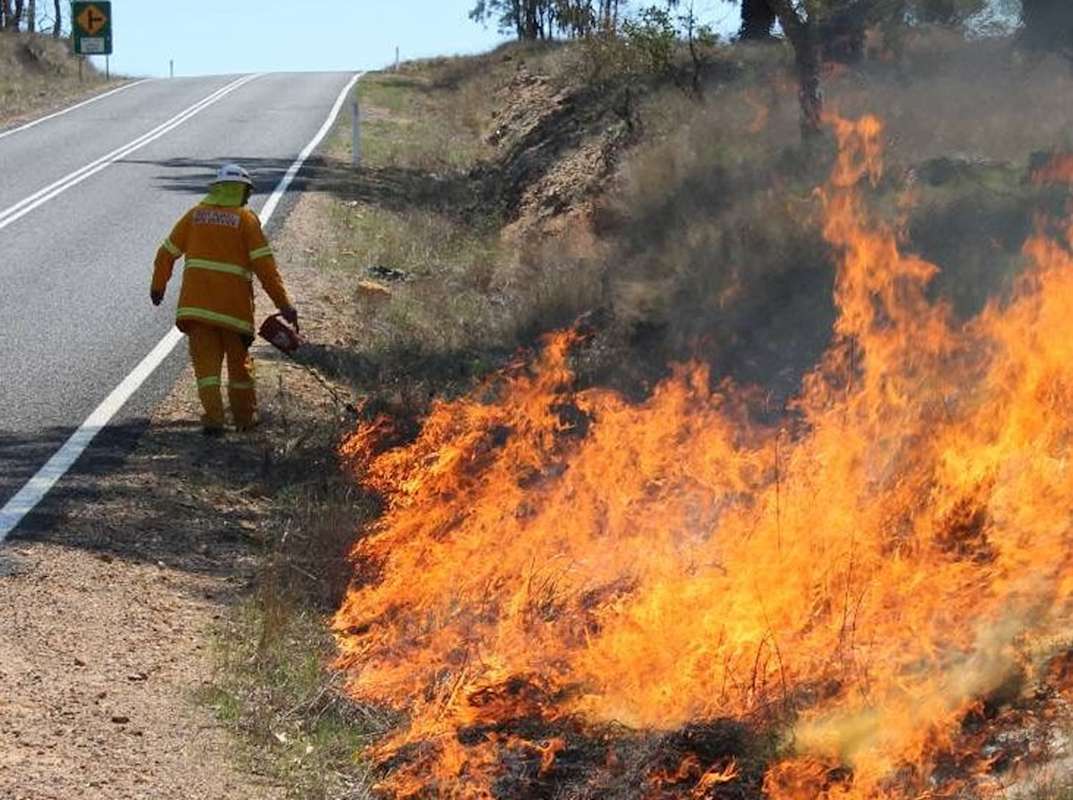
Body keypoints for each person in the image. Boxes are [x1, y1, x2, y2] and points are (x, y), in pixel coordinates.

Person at [150, 163, 297, 436]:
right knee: (239, 369)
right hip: (234, 312)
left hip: (196, 310)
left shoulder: (195, 216)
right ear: (242, 192)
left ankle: (214, 420)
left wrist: (158, 287)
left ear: (217, 189)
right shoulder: (246, 220)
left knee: (206, 371)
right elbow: (266, 268)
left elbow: (166, 253)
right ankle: (245, 420)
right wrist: (284, 305)